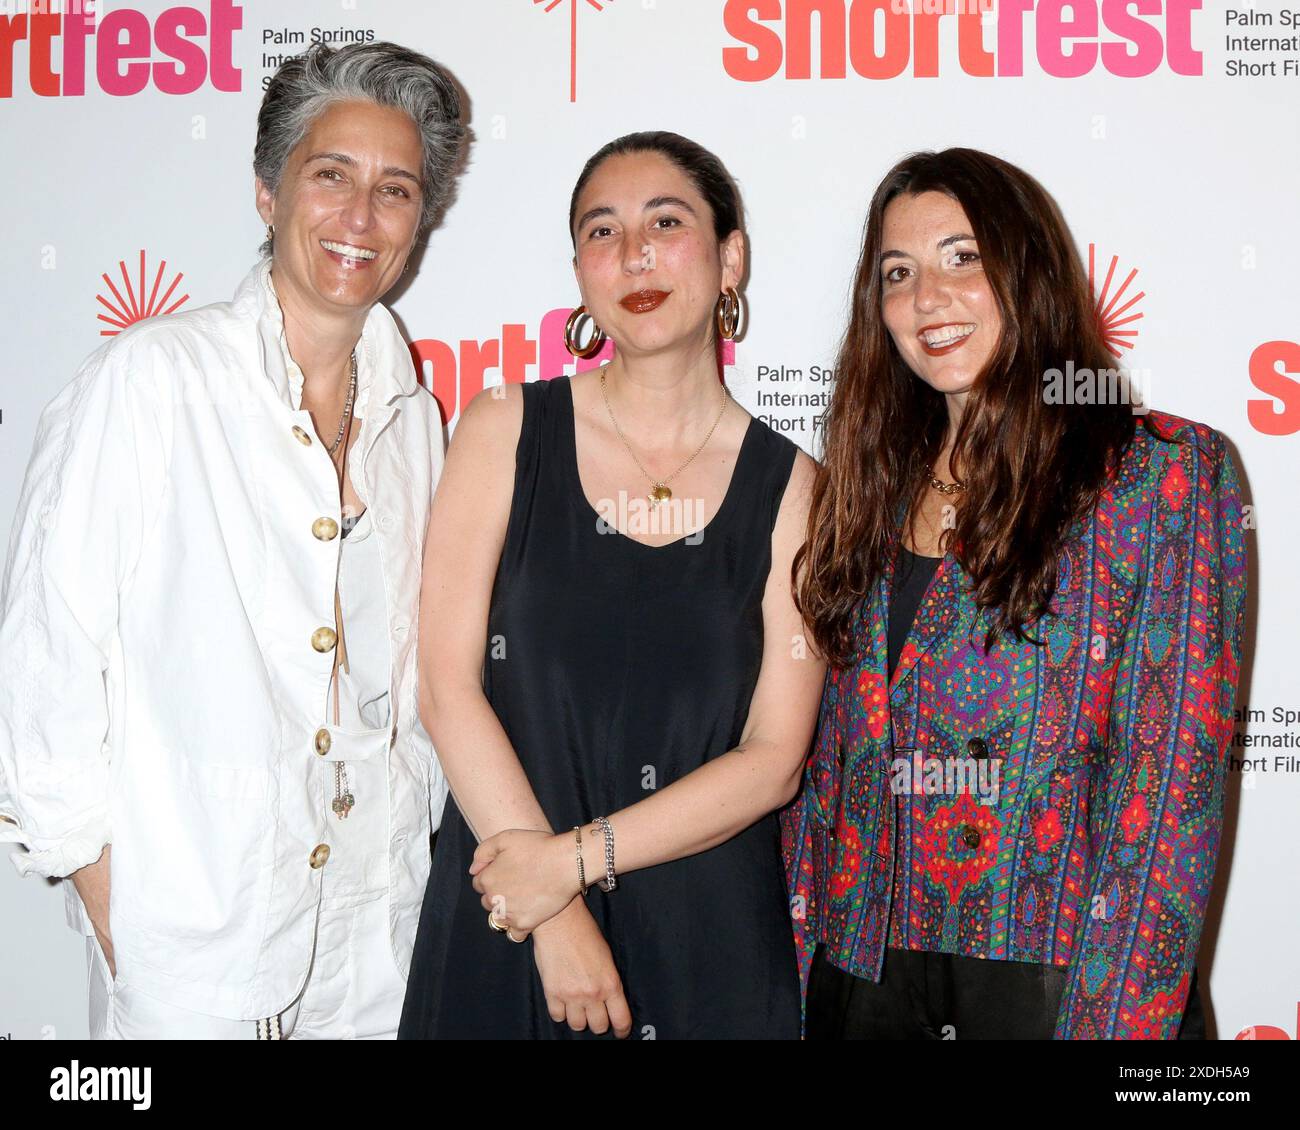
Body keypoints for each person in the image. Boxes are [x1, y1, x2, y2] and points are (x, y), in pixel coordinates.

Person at [0, 41, 465, 1039]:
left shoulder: (415, 422)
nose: (359, 217)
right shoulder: (151, 381)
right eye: (329, 175)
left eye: (395, 189)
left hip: (375, 956)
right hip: (201, 964)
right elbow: (46, 663)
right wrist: (120, 912)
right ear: (268, 190)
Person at [783, 148, 1247, 1040]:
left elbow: (1171, 787)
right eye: (898, 273)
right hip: (860, 981)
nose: (928, 298)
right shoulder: (863, 488)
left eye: (964, 257)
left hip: (1058, 989)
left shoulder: (1160, 475)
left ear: (1027, 270)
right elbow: (827, 774)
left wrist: (1120, 1035)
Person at [397, 131, 823, 1040]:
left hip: (704, 941)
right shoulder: (503, 428)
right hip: (508, 923)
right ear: (579, 271)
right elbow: (445, 687)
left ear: (729, 255)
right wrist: (551, 911)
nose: (634, 254)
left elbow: (772, 759)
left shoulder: (795, 488)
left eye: (666, 222)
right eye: (602, 231)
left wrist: (571, 866)